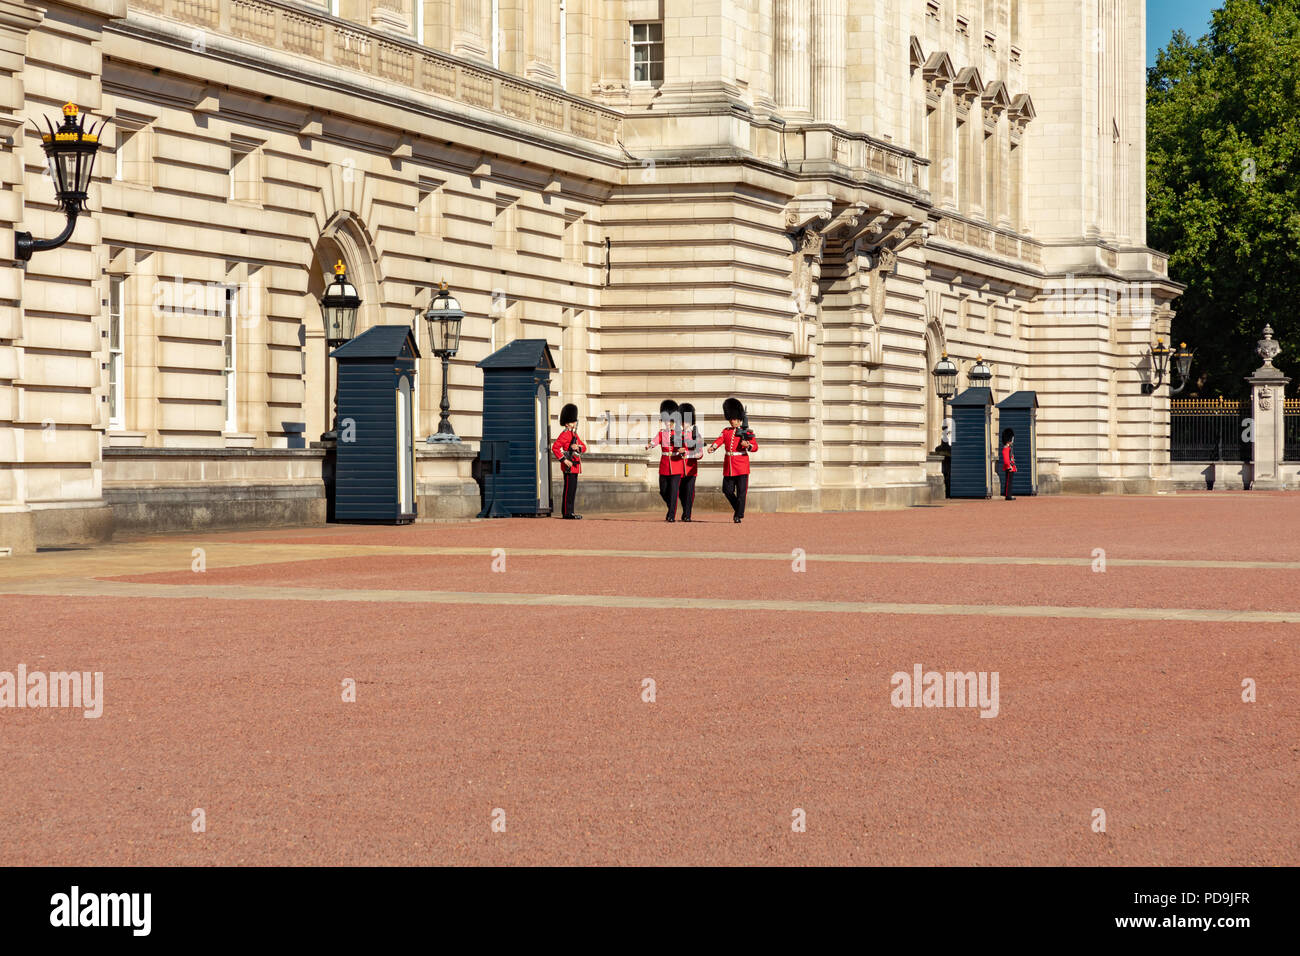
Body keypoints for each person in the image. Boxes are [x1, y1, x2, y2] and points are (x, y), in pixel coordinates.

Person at [706, 397, 757, 523]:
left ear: (740, 420)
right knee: (727, 490)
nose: (731, 421)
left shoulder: (747, 432)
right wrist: (713, 447)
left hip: (742, 465)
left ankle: (737, 515)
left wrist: (748, 446)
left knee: (741, 493)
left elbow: (755, 446)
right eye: (731, 418)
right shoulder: (726, 431)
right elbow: (720, 440)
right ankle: (739, 509)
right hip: (729, 465)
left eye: (734, 419)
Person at [645, 399, 683, 521]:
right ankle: (671, 507)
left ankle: (671, 514)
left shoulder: (679, 433)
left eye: (671, 421)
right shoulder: (661, 433)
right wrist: (650, 445)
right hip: (665, 464)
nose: (668, 423)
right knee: (663, 490)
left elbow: (685, 445)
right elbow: (655, 440)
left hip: (676, 464)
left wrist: (683, 449)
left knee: (673, 491)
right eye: (666, 421)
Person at [551, 403, 586, 519]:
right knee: (568, 490)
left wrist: (578, 447)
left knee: (572, 490)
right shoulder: (565, 435)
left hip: (575, 467)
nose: (575, 423)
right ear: (567, 423)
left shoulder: (573, 434)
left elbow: (584, 447)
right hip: (569, 466)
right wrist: (564, 460)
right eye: (572, 421)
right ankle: (566, 512)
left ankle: (570, 511)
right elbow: (555, 447)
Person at [678, 402, 704, 521]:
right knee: (680, 493)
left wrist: (687, 454)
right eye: (683, 421)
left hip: (691, 469)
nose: (684, 424)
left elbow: (700, 453)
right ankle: (685, 510)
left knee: (689, 493)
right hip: (678, 469)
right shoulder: (677, 435)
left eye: (686, 421)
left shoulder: (696, 435)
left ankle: (687, 514)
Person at [999, 428, 1016, 501]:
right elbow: (1006, 459)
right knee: (1008, 482)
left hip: (1011, 467)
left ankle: (1009, 494)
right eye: (1011, 439)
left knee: (1009, 482)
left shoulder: (1009, 448)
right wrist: (1009, 467)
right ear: (1009, 440)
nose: (1012, 441)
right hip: (1009, 468)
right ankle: (1008, 495)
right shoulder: (1006, 448)